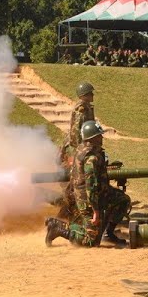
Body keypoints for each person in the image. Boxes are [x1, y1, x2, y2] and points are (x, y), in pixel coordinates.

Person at [46, 121, 131, 247]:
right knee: (90, 241)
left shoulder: (83, 149)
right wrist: (96, 210)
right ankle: (59, 227)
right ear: (92, 138)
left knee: (122, 200)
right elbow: (91, 187)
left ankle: (108, 233)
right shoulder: (91, 158)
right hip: (87, 199)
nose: (101, 138)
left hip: (101, 192)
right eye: (99, 135)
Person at [54, 82, 96, 221]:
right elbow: (76, 131)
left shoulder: (87, 107)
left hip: (82, 146)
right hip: (76, 148)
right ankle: (65, 215)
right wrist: (80, 150)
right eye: (90, 93)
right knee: (74, 183)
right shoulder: (81, 109)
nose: (92, 95)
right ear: (84, 95)